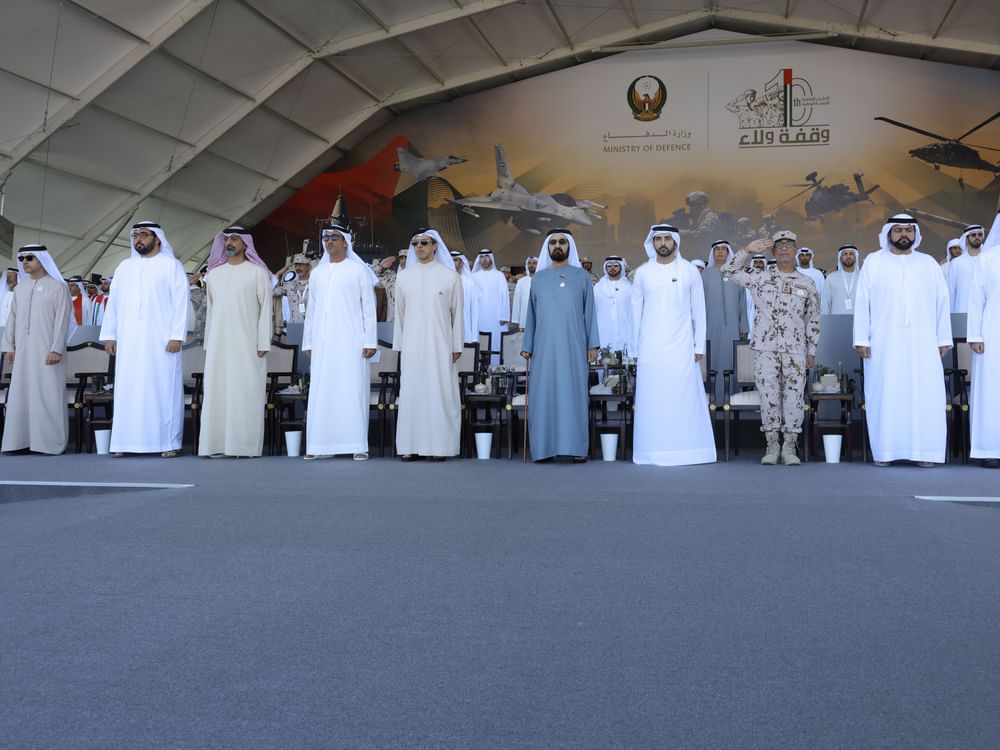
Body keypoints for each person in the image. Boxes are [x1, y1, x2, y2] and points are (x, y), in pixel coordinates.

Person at [854, 214, 952, 466]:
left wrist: (943, 339)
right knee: (886, 395)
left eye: (908, 229)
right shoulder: (874, 262)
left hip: (924, 341)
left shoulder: (928, 263)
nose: (903, 234)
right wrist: (861, 339)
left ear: (916, 234)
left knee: (926, 394)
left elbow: (942, 303)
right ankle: (886, 451)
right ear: (888, 233)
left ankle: (925, 452)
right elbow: (862, 303)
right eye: (898, 230)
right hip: (883, 343)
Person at [723, 231, 820, 466]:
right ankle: (771, 445)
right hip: (766, 349)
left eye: (789, 245)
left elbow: (813, 318)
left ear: (796, 249)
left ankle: (789, 447)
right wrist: (747, 250)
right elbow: (728, 271)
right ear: (773, 251)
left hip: (796, 350)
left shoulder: (807, 283)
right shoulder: (759, 278)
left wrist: (811, 350)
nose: (784, 248)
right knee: (768, 396)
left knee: (794, 397)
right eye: (779, 245)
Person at [100, 221, 190, 457]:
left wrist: (176, 336)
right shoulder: (123, 267)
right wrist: (110, 335)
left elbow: (181, 304)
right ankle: (124, 442)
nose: (138, 239)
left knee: (162, 389)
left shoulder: (172, 266)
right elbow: (114, 303)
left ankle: (167, 443)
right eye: (135, 235)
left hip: (161, 341)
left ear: (157, 238)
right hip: (129, 341)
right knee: (127, 389)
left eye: (143, 234)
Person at [630, 225, 715, 466]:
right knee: (653, 399)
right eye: (658, 239)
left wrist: (699, 346)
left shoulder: (689, 271)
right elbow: (635, 314)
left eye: (667, 238)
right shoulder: (643, 273)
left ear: (675, 241)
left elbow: (699, 311)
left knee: (683, 398)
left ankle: (691, 451)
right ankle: (651, 452)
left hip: (682, 347)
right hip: (650, 347)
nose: (663, 243)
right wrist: (634, 350)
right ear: (652, 243)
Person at [520, 229, 599, 462]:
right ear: (547, 247)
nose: (557, 246)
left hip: (574, 347)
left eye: (562, 242)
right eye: (553, 242)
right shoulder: (539, 278)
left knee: (573, 394)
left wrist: (592, 345)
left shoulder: (581, 276)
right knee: (542, 395)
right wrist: (528, 345)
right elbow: (531, 316)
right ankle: (543, 449)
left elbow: (591, 313)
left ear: (569, 247)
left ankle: (575, 449)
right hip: (543, 348)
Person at [303, 223, 378, 460]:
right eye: (326, 238)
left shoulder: (358, 270)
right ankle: (318, 446)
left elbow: (369, 308)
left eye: (334, 237)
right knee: (322, 391)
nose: (329, 241)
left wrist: (370, 340)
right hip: (323, 344)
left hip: (352, 342)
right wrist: (309, 342)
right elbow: (312, 311)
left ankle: (357, 445)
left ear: (345, 242)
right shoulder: (317, 273)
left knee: (352, 390)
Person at [198, 226, 273, 458]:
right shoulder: (214, 275)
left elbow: (266, 310)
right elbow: (211, 311)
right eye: (227, 239)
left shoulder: (257, 272)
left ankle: (243, 446)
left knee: (245, 392)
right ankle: (216, 445)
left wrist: (263, 342)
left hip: (248, 344)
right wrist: (209, 343)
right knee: (217, 393)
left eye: (235, 239)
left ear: (245, 244)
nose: (229, 243)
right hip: (219, 345)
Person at [393, 229, 464, 461]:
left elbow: (458, 315)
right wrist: (402, 346)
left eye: (425, 242)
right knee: (412, 393)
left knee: (439, 393)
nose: (420, 247)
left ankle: (439, 447)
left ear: (435, 246)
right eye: (415, 243)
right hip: (412, 346)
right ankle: (409, 447)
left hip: (440, 345)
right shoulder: (403, 276)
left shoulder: (449, 276)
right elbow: (400, 315)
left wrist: (456, 346)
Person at [1, 246, 71, 454]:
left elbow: (62, 321)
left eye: (29, 258)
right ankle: (20, 441)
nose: (25, 262)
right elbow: (12, 319)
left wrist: (56, 349)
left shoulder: (58, 287)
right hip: (22, 352)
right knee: (20, 394)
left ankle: (48, 444)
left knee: (47, 394)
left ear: (42, 259)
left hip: (47, 352)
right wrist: (9, 347)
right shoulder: (21, 289)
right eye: (22, 258)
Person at [701, 240, 747, 403]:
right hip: (710, 326)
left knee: (731, 361)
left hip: (732, 327)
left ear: (728, 253)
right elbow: (698, 304)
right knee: (711, 361)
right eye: (717, 249)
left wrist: (744, 326)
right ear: (712, 253)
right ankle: (712, 399)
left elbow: (742, 302)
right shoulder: (705, 275)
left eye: (723, 249)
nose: (720, 252)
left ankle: (730, 399)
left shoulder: (736, 274)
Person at [968, 243, 1000, 468]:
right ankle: (991, 449)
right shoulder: (987, 258)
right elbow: (976, 299)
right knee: (992, 391)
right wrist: (975, 335)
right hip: (993, 333)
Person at [472, 249, 510, 364]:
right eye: (482, 257)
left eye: (487, 256)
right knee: (481, 342)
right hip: (479, 317)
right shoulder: (473, 276)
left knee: (495, 342)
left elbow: (505, 296)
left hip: (496, 318)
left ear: (491, 258)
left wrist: (504, 315)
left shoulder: (499, 275)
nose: (484, 259)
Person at [593, 256, 633, 353]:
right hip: (604, 330)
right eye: (609, 266)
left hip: (625, 328)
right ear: (605, 268)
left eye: (616, 265)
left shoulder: (629, 287)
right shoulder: (598, 287)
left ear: (621, 267)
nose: (612, 268)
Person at [947, 224, 985, 313]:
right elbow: (951, 293)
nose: (977, 237)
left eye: (979, 235)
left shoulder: (988, 261)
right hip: (962, 311)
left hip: (984, 313)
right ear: (966, 239)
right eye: (973, 235)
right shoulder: (956, 263)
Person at [451, 251, 481, 344]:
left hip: (465, 328)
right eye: (451, 260)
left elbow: (475, 311)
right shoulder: (440, 281)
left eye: (455, 260)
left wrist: (474, 336)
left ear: (462, 262)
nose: (452, 263)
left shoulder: (470, 283)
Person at [821, 245, 861, 314]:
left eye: (851, 254)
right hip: (837, 322)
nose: (848, 256)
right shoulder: (831, 278)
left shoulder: (863, 277)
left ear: (855, 257)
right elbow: (825, 305)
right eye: (845, 254)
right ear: (840, 258)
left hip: (860, 322)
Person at [274, 252, 312, 324]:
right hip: (294, 325)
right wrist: (280, 272)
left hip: (311, 325)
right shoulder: (289, 285)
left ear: (308, 266)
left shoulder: (314, 285)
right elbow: (272, 291)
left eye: (301, 265)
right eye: (296, 265)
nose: (298, 268)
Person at [509, 255, 538, 332]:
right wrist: (516, 320)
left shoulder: (544, 281)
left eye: (534, 263)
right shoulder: (521, 282)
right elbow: (516, 302)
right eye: (529, 263)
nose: (531, 265)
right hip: (524, 320)